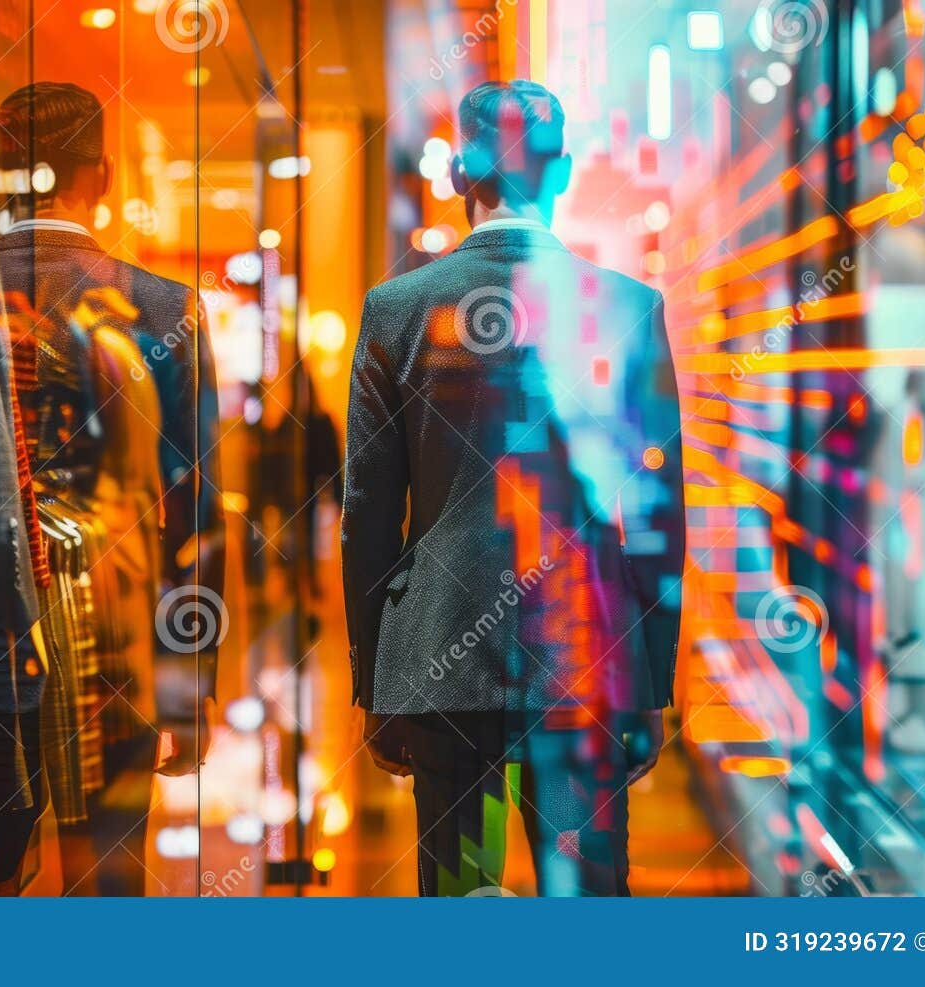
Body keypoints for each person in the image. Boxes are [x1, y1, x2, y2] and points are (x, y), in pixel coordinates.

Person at [341, 80, 685, 896]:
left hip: (439, 656)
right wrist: (651, 677)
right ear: (560, 171)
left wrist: (375, 681)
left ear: (460, 176)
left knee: (464, 916)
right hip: (586, 657)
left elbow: (367, 515)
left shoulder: (397, 309)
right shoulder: (628, 309)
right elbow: (658, 515)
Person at [0, 82, 225, 894]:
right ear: (105, 172)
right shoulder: (166, 309)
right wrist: (191, 687)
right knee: (113, 879)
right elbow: (194, 513)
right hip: (121, 632)